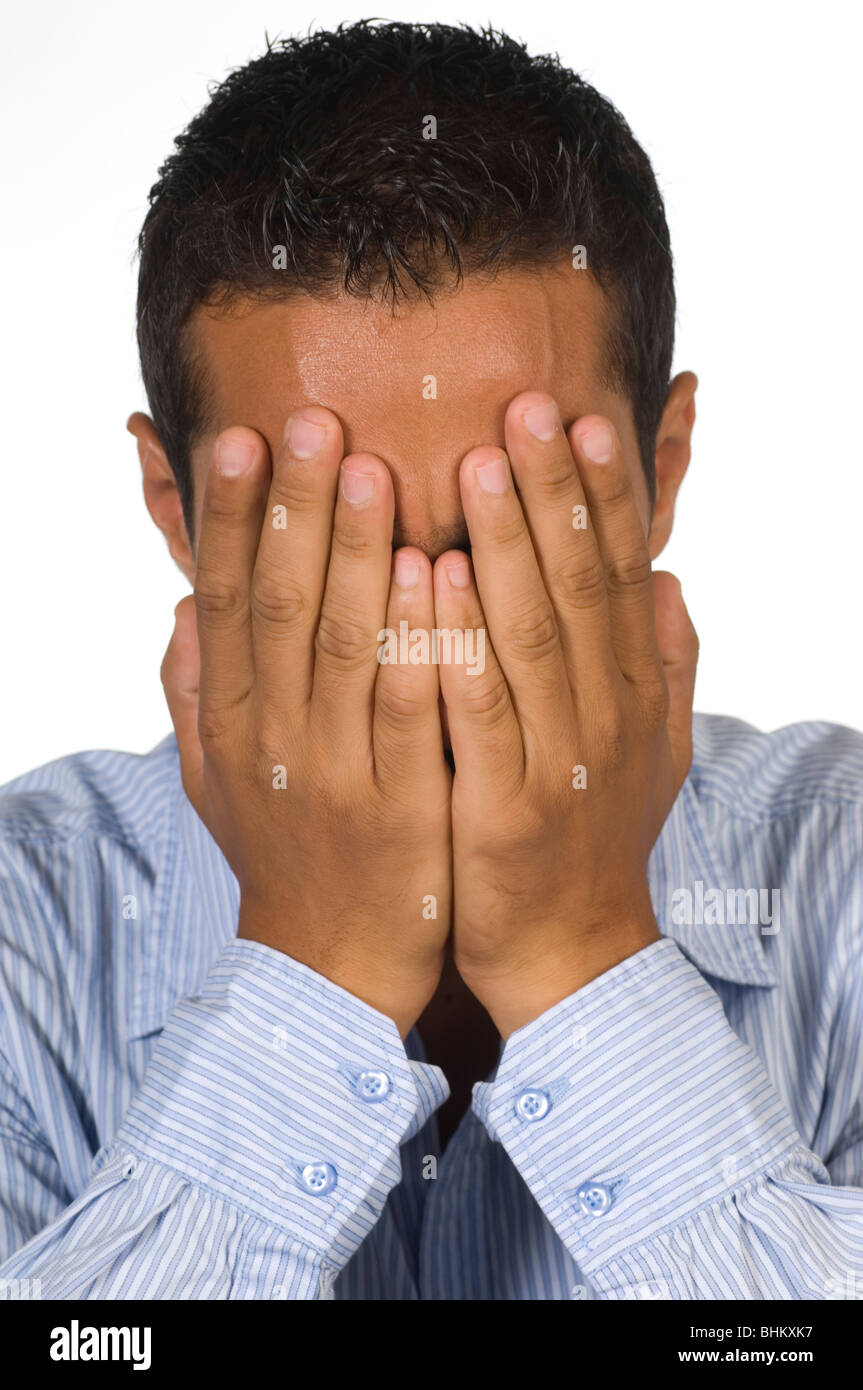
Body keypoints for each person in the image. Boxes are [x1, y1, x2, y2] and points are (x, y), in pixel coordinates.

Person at [1, 20, 861, 1301]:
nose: (417, 636)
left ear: (659, 470)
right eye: (328, 545)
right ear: (177, 511)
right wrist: (313, 973)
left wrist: (584, 961)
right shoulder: (30, 921)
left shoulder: (838, 876)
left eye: (501, 530)